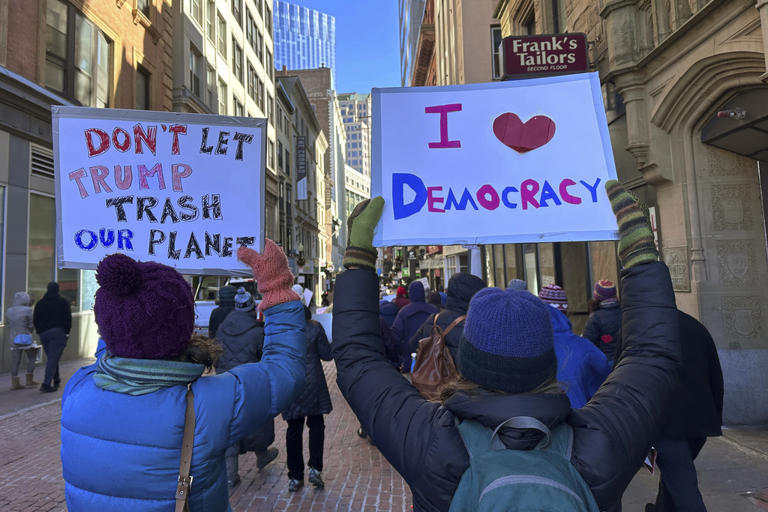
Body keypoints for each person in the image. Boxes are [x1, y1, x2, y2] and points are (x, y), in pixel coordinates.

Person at [331, 182, 680, 512]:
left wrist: (358, 261)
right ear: (547, 363)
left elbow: (357, 361)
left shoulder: (433, 445)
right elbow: (651, 358)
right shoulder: (598, 445)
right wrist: (640, 255)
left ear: (466, 360)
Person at [60, 240, 307, 511]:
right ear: (184, 324)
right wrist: (277, 287)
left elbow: (117, 339)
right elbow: (285, 372)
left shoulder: (78, 389)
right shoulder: (211, 404)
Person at [645, 311, 724, 512]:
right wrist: (714, 417)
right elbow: (715, 376)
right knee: (676, 475)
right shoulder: (695, 327)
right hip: (699, 422)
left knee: (682, 485)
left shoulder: (641, 328)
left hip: (666, 422)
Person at [214, 287, 279, 488]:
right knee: (257, 419)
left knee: (229, 423)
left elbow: (215, 349)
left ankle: (231, 474)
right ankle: (262, 454)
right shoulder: (258, 331)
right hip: (249, 380)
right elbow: (265, 358)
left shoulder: (223, 326)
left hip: (224, 380)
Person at [282, 305, 333, 492]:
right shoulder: (315, 327)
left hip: (292, 382)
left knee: (293, 429)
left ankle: (295, 476)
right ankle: (315, 468)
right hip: (313, 383)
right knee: (317, 424)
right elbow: (327, 355)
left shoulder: (284, 331)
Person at [539, 285, 612, 409]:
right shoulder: (583, 347)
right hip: (577, 416)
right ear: (566, 311)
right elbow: (604, 376)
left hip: (536, 420)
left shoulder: (528, 347)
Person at [408, 272, 486, 362]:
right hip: (462, 375)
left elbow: (413, 345)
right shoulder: (475, 326)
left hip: (435, 374)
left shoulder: (434, 319)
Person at [390, 281, 438, 371]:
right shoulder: (433, 310)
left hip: (410, 357)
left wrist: (401, 353)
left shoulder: (404, 312)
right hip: (432, 357)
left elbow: (395, 336)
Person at [33, 282, 71, 393]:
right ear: (58, 290)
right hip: (58, 332)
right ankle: (46, 383)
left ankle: (56, 380)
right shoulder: (62, 302)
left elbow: (36, 318)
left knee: (52, 357)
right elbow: (67, 318)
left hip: (44, 333)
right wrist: (67, 332)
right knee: (53, 358)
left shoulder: (40, 303)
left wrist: (40, 331)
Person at [583, 280, 622, 362]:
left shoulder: (595, 317)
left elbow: (587, 344)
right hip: (624, 360)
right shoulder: (624, 312)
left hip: (604, 362)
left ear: (597, 296)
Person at [7, 291, 39, 390]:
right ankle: (29, 380)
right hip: (25, 338)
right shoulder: (28, 310)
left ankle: (15, 382)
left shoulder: (9, 310)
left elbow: (8, 324)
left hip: (13, 339)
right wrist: (29, 331)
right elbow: (31, 324)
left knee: (15, 361)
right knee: (32, 358)